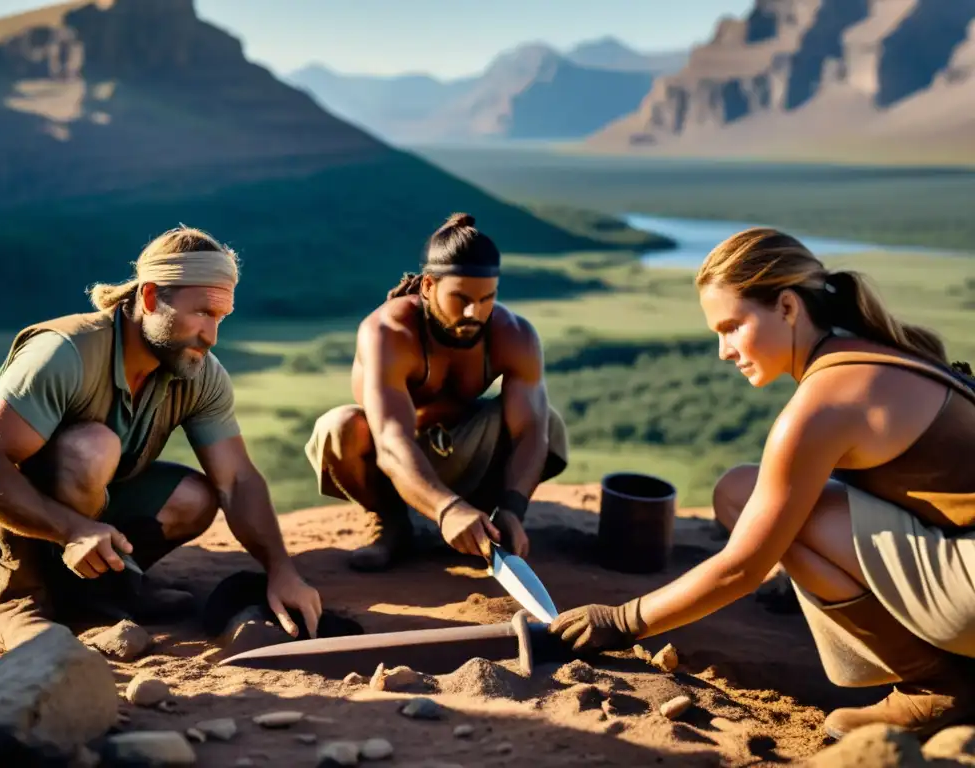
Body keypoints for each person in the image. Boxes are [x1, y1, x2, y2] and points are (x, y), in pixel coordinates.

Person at [547, 227, 975, 741]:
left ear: (788, 307)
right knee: (741, 491)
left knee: (781, 514)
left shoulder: (822, 405)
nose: (724, 351)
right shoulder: (876, 353)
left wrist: (620, 620)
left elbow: (741, 569)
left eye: (732, 327)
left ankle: (938, 687)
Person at [0, 225, 322, 651]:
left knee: (195, 497)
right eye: (201, 312)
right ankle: (22, 598)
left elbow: (237, 480)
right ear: (148, 297)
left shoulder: (199, 371)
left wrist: (281, 570)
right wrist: (73, 529)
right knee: (92, 447)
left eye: (220, 317)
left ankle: (104, 591)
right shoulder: (65, 352)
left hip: (76, 516)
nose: (211, 335)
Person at [305, 212, 569, 571]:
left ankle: (488, 522)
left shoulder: (515, 334)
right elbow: (390, 440)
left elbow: (529, 433)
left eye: (487, 298)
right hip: (398, 464)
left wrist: (513, 508)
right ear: (428, 286)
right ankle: (390, 525)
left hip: (470, 454)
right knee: (339, 428)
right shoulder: (389, 333)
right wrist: (447, 508)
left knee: (545, 419)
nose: (475, 312)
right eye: (461, 298)